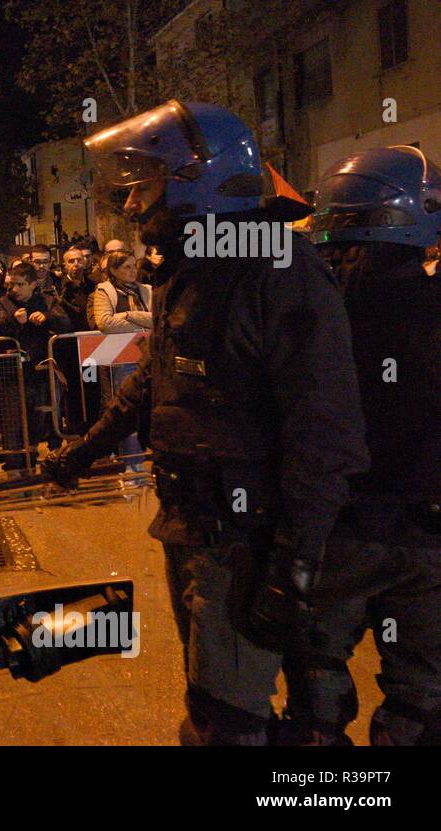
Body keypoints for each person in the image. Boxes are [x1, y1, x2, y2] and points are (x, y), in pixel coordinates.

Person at [42, 100, 369, 745]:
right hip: (190, 522)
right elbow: (153, 384)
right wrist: (85, 450)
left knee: (229, 723)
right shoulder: (189, 274)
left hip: (247, 540)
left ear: (199, 180)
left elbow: (324, 433)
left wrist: (293, 566)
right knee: (212, 699)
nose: (133, 206)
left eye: (145, 184)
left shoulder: (279, 272)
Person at [282, 145, 441, 746]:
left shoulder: (311, 308)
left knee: (318, 698)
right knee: (420, 704)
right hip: (426, 537)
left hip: (337, 534)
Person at [0, 261, 70, 460]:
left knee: (48, 412)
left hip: (43, 368)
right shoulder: (3, 303)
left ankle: (54, 454)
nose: (14, 289)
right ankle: (17, 463)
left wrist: (47, 318)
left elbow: (65, 322)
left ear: (33, 285)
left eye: (20, 284)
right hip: (13, 372)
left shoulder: (47, 301)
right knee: (15, 419)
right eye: (12, 284)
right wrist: (13, 321)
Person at [88, 251, 153, 471]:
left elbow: (157, 318)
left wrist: (129, 316)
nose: (133, 271)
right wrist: (142, 323)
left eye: (134, 266)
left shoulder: (146, 290)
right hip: (121, 360)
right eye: (126, 267)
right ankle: (132, 469)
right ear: (113, 270)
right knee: (127, 413)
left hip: (148, 357)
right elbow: (105, 322)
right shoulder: (104, 291)